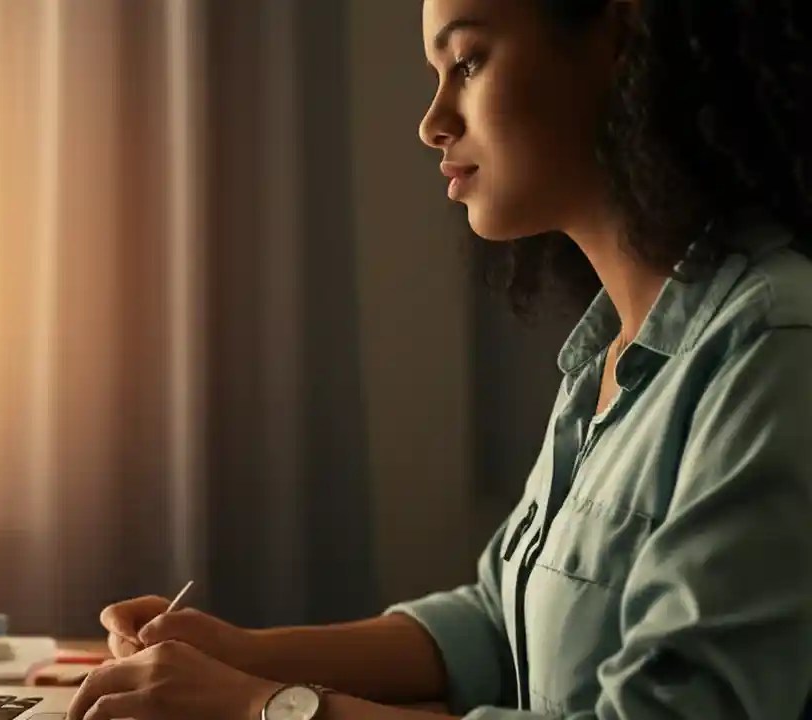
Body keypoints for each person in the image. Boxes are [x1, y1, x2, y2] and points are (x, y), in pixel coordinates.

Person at [65, 0, 812, 717]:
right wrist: (239, 654)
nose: (432, 123)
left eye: (467, 63)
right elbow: (496, 623)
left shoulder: (772, 347)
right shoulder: (609, 357)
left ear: (622, 38)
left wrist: (262, 708)